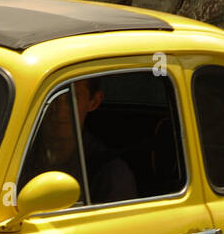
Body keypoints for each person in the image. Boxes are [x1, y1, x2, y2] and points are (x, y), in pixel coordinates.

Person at [22, 78, 137, 206]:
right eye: (51, 97)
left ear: (94, 102)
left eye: (73, 96)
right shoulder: (17, 157)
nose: (60, 109)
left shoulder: (111, 174)